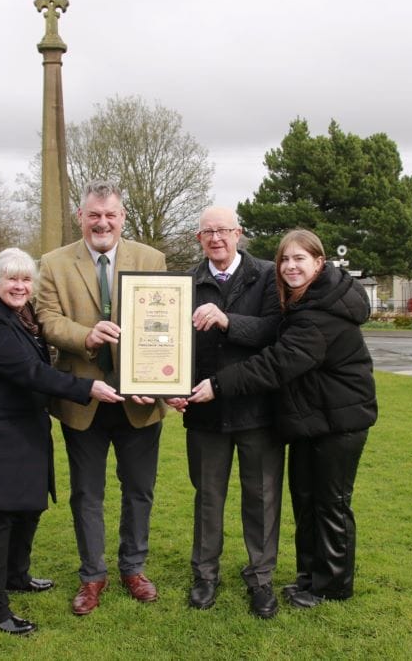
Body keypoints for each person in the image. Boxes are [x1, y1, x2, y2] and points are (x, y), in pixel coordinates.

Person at [189, 229, 377, 607]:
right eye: (285, 260)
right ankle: (310, 580)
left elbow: (276, 363)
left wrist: (218, 385)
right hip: (314, 418)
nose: (291, 266)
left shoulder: (318, 313)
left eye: (300, 259)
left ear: (319, 263)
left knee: (331, 504)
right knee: (308, 500)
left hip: (340, 420)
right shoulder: (303, 299)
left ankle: (333, 586)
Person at [0, 247, 124, 634]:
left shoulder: (19, 316)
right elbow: (31, 373)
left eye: (26, 279)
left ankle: (17, 575)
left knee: (28, 509)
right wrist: (88, 387)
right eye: (11, 278)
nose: (19, 286)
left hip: (22, 431)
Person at [35, 180, 168, 616]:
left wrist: (160, 378)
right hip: (83, 399)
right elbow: (48, 320)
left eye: (111, 215)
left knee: (139, 491)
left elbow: (161, 323)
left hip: (141, 400)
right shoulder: (53, 264)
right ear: (81, 217)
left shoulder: (152, 259)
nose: (102, 222)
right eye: (94, 214)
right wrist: (86, 335)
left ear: (123, 217)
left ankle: (133, 567)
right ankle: (93, 576)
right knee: (86, 495)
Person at [166, 206, 284, 618]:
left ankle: (261, 578)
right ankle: (205, 575)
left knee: (262, 497)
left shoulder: (268, 275)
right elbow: (170, 342)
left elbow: (274, 331)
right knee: (208, 497)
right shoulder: (185, 284)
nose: (216, 238)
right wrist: (170, 389)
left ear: (239, 233)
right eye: (207, 232)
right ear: (198, 239)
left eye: (223, 230)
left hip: (259, 410)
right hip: (203, 412)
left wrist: (227, 320)